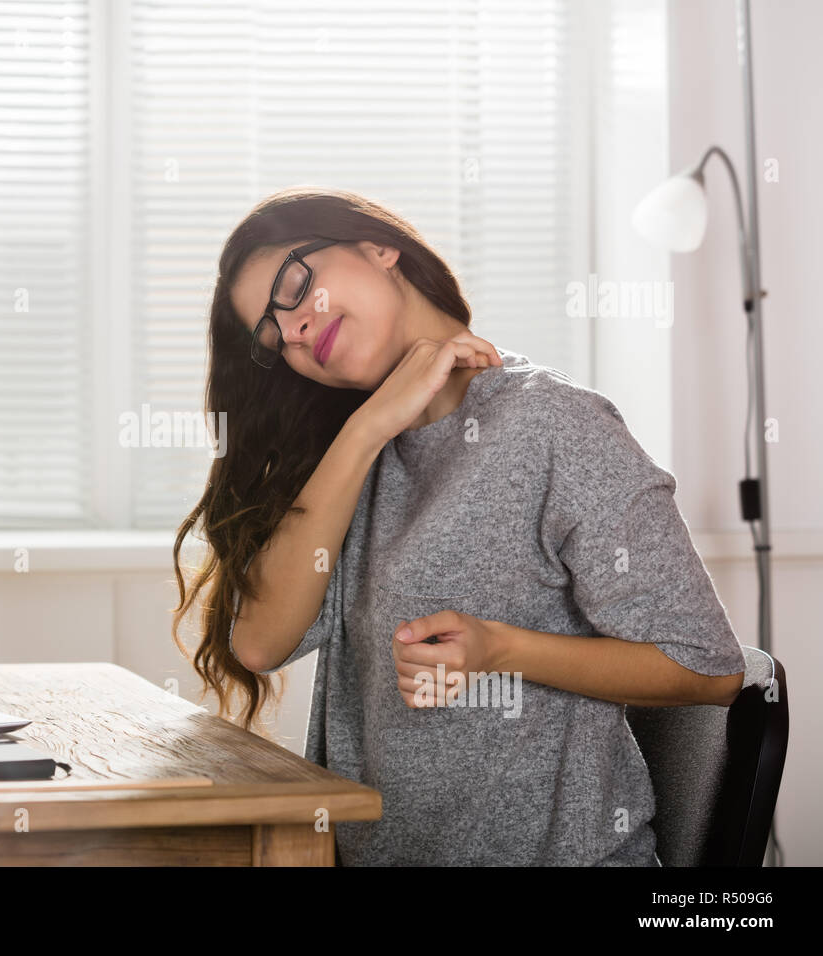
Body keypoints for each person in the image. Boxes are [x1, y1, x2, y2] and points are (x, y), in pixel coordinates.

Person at [171, 185, 746, 866]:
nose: (293, 328)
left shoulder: (554, 425)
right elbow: (259, 643)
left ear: (379, 247)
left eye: (295, 285)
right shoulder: (347, 461)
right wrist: (367, 430)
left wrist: (499, 650)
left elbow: (707, 669)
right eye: (275, 337)